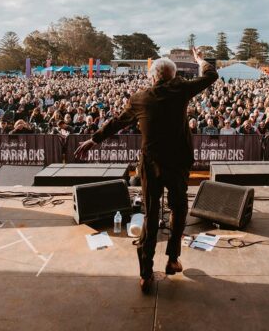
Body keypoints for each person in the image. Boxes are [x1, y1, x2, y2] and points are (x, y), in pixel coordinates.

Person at [74, 48, 218, 294]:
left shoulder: (140, 98)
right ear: (173, 76)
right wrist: (199, 60)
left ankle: (145, 274)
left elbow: (117, 122)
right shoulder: (181, 90)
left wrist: (94, 140)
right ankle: (173, 258)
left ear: (152, 77)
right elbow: (211, 75)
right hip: (178, 163)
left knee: (150, 214)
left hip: (151, 165)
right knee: (179, 208)